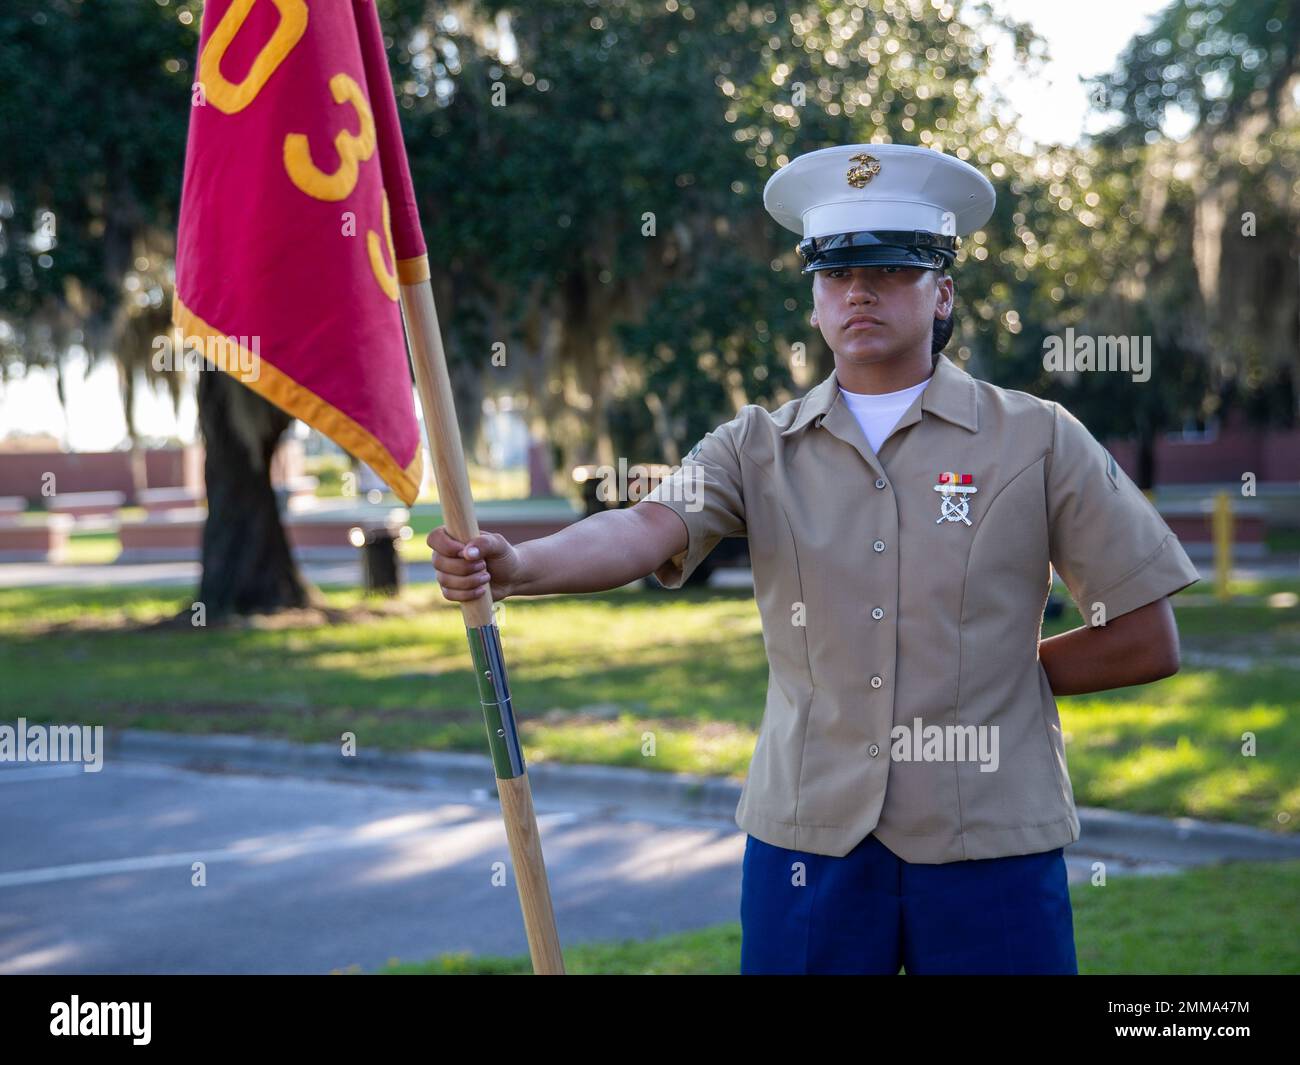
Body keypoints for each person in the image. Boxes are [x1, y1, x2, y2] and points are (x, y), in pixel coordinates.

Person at [427, 143, 1201, 975]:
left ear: (943, 291)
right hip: (807, 844)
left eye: (891, 269)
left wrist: (999, 678)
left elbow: (1145, 636)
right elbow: (644, 526)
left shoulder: (1038, 437)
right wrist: (519, 567)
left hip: (990, 839)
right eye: (835, 274)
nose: (859, 291)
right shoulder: (756, 445)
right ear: (814, 299)